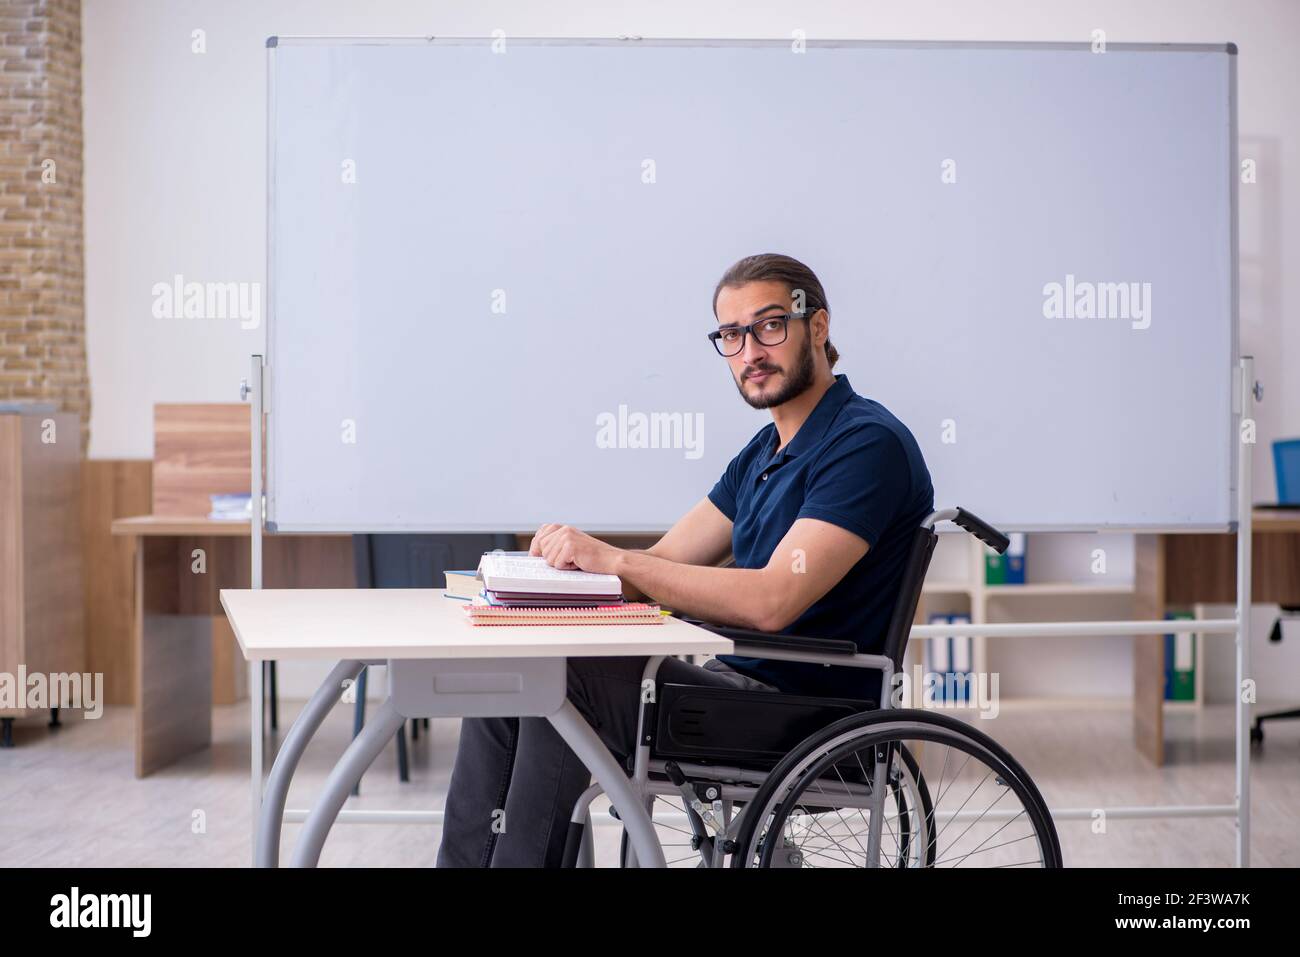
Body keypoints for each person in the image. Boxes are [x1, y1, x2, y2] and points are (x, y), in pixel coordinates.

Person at [436, 252, 934, 867]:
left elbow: (772, 600)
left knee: (559, 682)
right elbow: (666, 561)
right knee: (510, 676)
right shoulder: (765, 452)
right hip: (741, 689)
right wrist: (558, 576)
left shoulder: (865, 444)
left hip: (809, 717)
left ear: (819, 327)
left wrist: (615, 561)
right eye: (731, 334)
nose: (750, 350)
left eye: (769, 325)